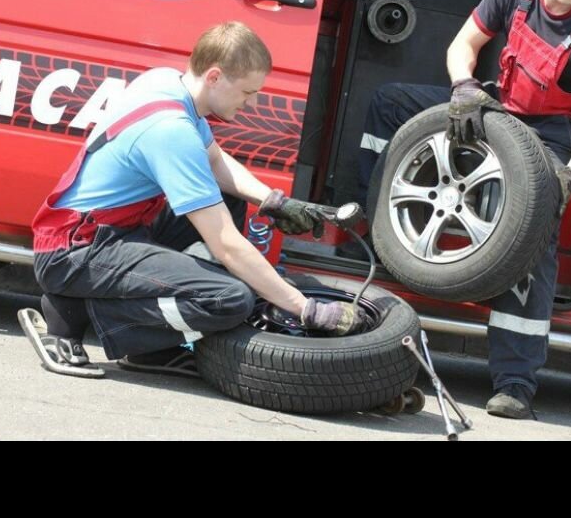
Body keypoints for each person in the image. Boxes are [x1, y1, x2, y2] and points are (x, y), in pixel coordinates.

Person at [356, 0, 571, 419]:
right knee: (389, 104)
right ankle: (375, 220)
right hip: (491, 108)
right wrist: (462, 88)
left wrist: (570, 175)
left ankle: (515, 383)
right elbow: (465, 46)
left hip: (549, 133)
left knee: (535, 237)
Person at [20, 21, 365, 379]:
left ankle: (151, 343)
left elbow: (214, 160)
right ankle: (74, 312)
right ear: (215, 76)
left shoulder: (167, 82)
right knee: (228, 300)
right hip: (75, 253)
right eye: (248, 92)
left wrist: (273, 201)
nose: (253, 102)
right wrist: (304, 308)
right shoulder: (171, 131)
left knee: (228, 203)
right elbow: (226, 245)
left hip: (105, 229)